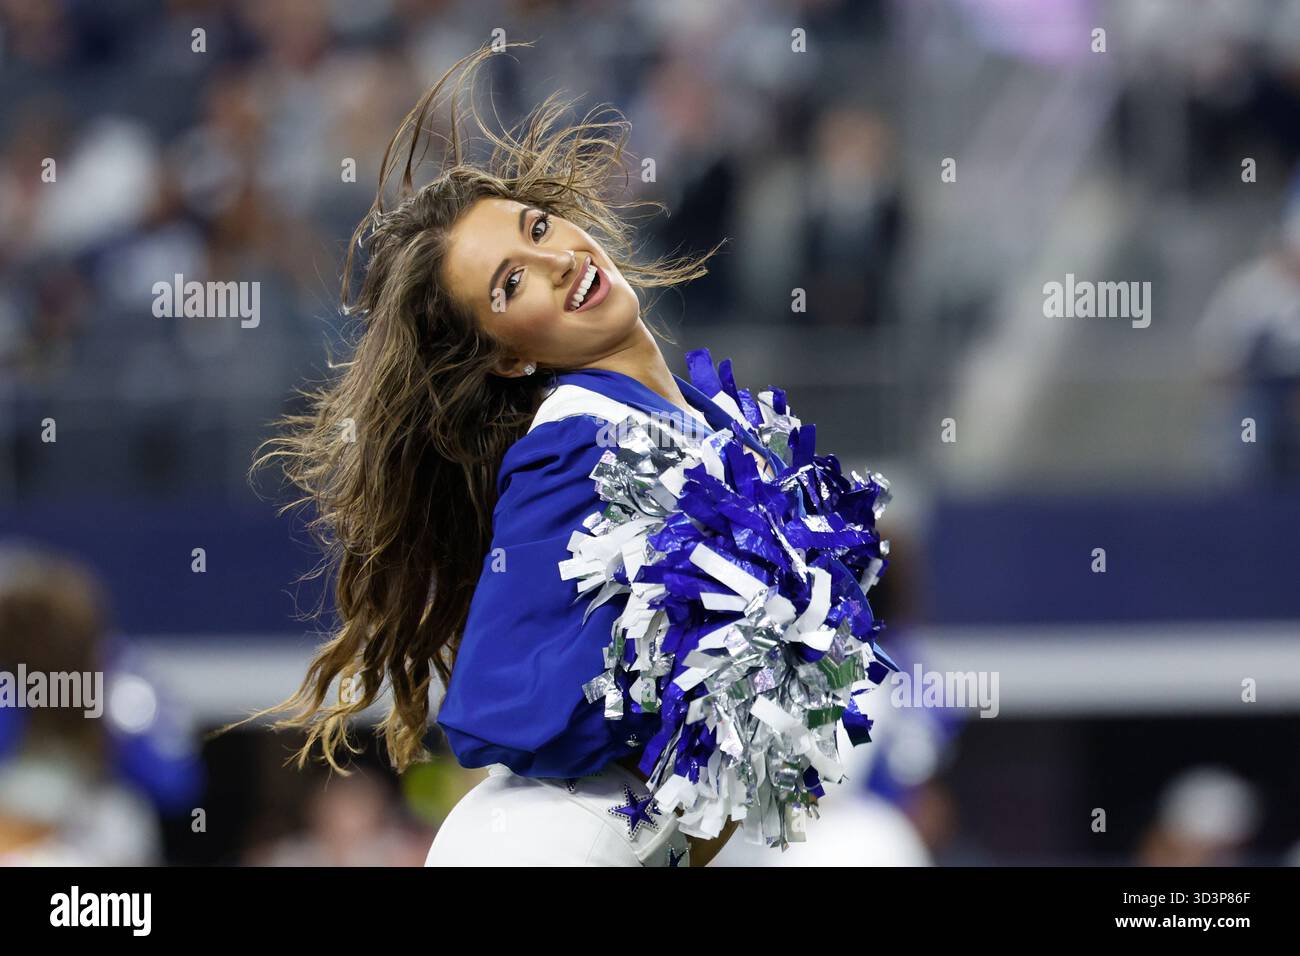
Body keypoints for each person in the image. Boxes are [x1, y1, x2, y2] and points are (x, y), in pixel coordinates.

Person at [251, 43, 890, 867]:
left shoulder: (710, 421)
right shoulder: (568, 443)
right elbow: (492, 707)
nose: (558, 262)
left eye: (538, 227)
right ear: (510, 357)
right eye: (510, 286)